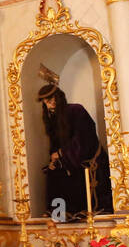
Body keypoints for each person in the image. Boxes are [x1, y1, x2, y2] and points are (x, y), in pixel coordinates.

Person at [38, 81, 112, 220]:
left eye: (54, 98)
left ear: (60, 98)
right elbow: (55, 145)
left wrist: (61, 154)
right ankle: (58, 213)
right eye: (47, 101)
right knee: (53, 172)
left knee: (73, 173)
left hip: (87, 158)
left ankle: (80, 211)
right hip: (69, 158)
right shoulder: (51, 120)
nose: (52, 102)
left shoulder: (76, 110)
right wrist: (53, 160)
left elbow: (84, 138)